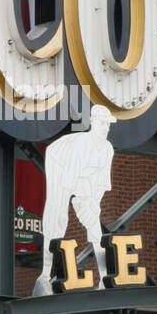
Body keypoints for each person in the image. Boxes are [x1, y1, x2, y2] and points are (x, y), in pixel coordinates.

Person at [32, 104, 116, 296]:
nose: (106, 127)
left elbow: (102, 184)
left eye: (108, 124)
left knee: (94, 221)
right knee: (58, 214)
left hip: (82, 176)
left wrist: (93, 205)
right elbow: (70, 186)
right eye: (103, 123)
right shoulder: (79, 146)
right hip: (59, 161)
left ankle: (105, 277)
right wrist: (84, 202)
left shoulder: (107, 149)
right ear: (93, 122)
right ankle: (44, 277)